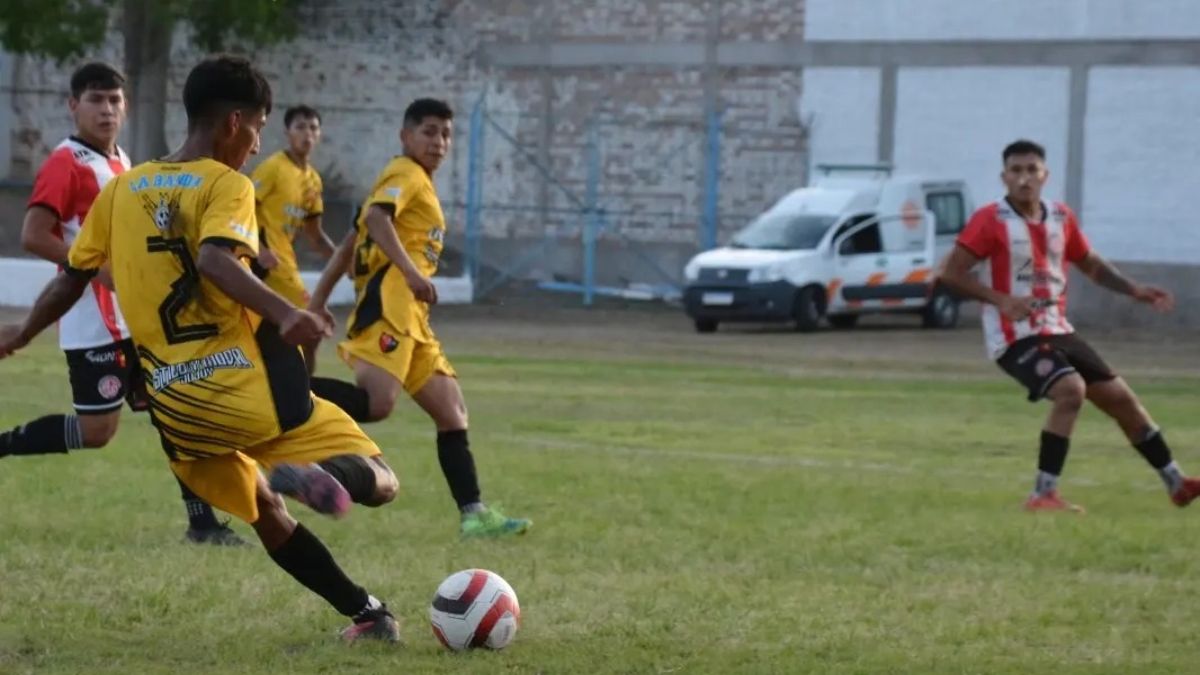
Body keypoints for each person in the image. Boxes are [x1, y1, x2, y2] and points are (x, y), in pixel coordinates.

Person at [0, 55, 402, 641]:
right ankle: (325, 473)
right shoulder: (227, 184)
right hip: (248, 385)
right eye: (259, 128)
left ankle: (366, 614)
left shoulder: (122, 188)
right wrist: (289, 312)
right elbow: (215, 259)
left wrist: (21, 332)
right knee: (382, 477)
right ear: (233, 122)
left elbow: (71, 276)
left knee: (266, 514)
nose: (258, 144)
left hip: (177, 407)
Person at [0, 61, 241, 545]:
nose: (106, 109)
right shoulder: (65, 162)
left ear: (125, 107)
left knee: (171, 408)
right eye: (95, 99)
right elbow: (34, 235)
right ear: (74, 106)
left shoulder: (121, 162)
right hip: (91, 319)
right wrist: (97, 267)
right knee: (97, 432)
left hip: (136, 318)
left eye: (114, 100)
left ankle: (202, 523)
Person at [307, 98, 530, 539]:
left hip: (413, 318)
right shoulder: (404, 173)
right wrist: (410, 272)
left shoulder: (413, 182)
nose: (439, 142)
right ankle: (285, 391)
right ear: (406, 136)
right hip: (390, 307)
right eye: (429, 132)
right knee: (377, 403)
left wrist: (317, 302)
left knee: (452, 412)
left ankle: (474, 514)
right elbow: (374, 217)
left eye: (445, 134)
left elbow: (350, 242)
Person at [940, 138, 1200, 513]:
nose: (1024, 178)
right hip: (1016, 337)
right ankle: (1042, 494)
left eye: (1032, 170)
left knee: (1123, 401)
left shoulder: (1061, 217)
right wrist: (1002, 300)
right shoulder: (990, 220)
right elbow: (950, 273)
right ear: (1004, 177)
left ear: (1045, 175)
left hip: (1059, 329)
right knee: (1070, 390)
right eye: (1016, 171)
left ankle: (1177, 482)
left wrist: (1135, 289)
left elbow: (1090, 264)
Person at [250, 105, 335, 372]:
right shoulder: (273, 168)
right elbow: (241, 210)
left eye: (313, 128)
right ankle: (305, 393)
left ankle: (296, 389)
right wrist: (260, 249)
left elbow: (315, 235)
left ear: (319, 134)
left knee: (299, 332)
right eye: (300, 127)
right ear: (287, 132)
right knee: (310, 325)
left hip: (286, 262)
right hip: (267, 266)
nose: (307, 134)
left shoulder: (313, 181)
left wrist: (346, 262)